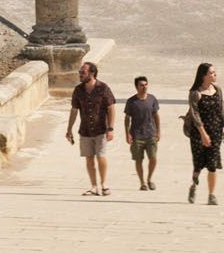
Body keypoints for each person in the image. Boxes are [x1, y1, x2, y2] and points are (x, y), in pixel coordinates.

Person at [66, 61, 115, 196]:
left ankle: (104, 185)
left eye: (83, 72)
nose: (80, 75)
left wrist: (110, 128)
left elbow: (111, 108)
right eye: (80, 72)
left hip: (101, 129)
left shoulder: (103, 88)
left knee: (101, 156)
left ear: (92, 73)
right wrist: (69, 129)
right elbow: (74, 110)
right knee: (89, 158)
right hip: (85, 130)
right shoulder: (78, 90)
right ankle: (93, 186)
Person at [186, 62, 224, 205]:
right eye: (211, 73)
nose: (214, 75)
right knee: (199, 163)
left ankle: (211, 195)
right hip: (199, 133)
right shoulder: (195, 93)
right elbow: (195, 114)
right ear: (203, 76)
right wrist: (203, 133)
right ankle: (193, 185)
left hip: (216, 131)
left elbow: (222, 108)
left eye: (214, 72)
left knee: (212, 164)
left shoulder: (218, 90)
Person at [124, 76, 160, 191]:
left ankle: (149, 179)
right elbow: (127, 118)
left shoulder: (152, 99)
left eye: (146, 85)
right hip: (136, 135)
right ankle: (142, 182)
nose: (144, 87)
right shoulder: (131, 101)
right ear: (136, 87)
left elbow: (156, 116)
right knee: (138, 160)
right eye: (141, 85)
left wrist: (158, 131)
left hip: (151, 134)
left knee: (153, 158)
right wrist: (127, 133)